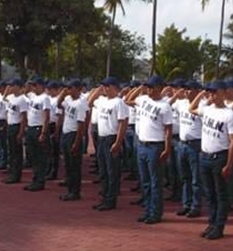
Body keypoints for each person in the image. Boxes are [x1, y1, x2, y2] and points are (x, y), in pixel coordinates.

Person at [189, 81, 233, 239]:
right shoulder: (207, 109)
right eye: (209, 92)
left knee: (220, 194)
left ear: (223, 93)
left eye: (214, 92)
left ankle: (219, 226)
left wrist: (230, 164)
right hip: (205, 156)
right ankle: (211, 223)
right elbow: (191, 108)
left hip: (220, 157)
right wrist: (201, 95)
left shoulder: (229, 114)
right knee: (209, 194)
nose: (211, 94)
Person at [125, 75, 175, 225]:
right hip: (142, 144)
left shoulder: (164, 106)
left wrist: (166, 149)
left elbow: (168, 130)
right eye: (147, 87)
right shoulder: (143, 100)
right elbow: (127, 100)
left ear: (159, 88)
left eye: (151, 87)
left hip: (155, 146)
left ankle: (155, 213)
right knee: (145, 181)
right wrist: (139, 88)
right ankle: (147, 210)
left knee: (155, 182)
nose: (149, 90)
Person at [89, 78, 128, 211]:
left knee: (112, 171)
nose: (105, 89)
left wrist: (118, 142)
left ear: (115, 87)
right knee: (103, 170)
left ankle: (111, 200)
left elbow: (123, 123)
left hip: (111, 138)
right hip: (101, 138)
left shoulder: (119, 103)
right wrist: (98, 90)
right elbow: (89, 102)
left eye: (107, 86)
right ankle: (105, 197)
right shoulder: (102, 101)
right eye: (104, 86)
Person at [170, 81, 204, 218]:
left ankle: (196, 206)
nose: (187, 92)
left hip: (195, 144)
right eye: (186, 89)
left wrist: (201, 95)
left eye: (191, 89)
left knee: (196, 178)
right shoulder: (181, 103)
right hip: (182, 144)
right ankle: (186, 204)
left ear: (197, 91)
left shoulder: (203, 106)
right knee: (185, 177)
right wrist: (176, 93)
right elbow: (167, 104)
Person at [57, 79, 89, 201]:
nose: (68, 90)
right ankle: (69, 189)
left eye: (70, 88)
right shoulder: (69, 100)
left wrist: (77, 142)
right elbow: (59, 104)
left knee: (74, 165)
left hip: (74, 135)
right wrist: (63, 94)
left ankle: (75, 192)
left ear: (77, 89)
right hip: (66, 134)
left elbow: (81, 125)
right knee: (68, 164)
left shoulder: (81, 103)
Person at [23, 78, 52, 192]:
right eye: (32, 86)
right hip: (30, 127)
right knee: (33, 156)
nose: (33, 88)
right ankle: (35, 179)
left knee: (40, 157)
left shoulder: (45, 98)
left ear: (41, 86)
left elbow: (46, 116)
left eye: (35, 86)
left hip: (39, 128)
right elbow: (24, 92)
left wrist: (43, 132)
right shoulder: (32, 96)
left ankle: (40, 181)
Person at [3, 80, 28, 184]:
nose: (11, 88)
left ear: (18, 87)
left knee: (17, 152)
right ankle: (12, 173)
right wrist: (6, 91)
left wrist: (21, 132)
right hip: (10, 125)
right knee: (11, 151)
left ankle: (16, 175)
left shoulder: (22, 99)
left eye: (12, 86)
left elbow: (23, 117)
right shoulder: (10, 98)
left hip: (17, 126)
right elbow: (3, 98)